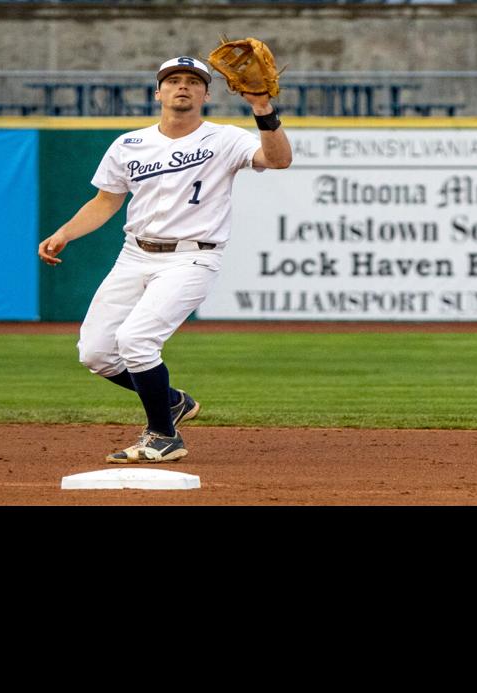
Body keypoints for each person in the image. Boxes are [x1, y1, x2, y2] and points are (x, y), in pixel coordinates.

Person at [38, 54, 293, 463]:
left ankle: (163, 435)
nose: (182, 86)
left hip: (192, 258)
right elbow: (106, 202)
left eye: (193, 81)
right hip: (135, 254)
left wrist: (262, 108)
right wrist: (64, 233)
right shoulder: (129, 144)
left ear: (207, 94)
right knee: (96, 353)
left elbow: (279, 160)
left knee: (137, 341)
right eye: (173, 79)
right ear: (157, 92)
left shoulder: (225, 139)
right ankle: (171, 402)